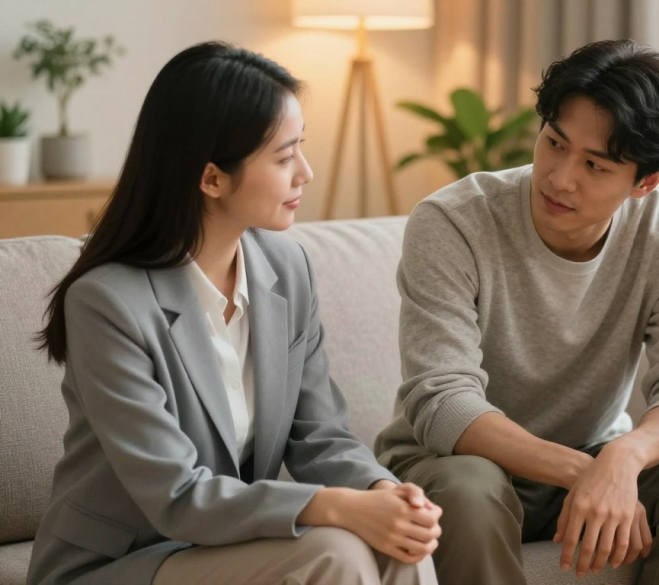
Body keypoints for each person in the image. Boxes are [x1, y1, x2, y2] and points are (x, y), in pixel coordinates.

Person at [28, 41, 440, 585]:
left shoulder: (287, 268)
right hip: (119, 563)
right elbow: (176, 494)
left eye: (301, 149)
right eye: (285, 157)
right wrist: (336, 507)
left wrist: (382, 494)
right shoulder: (107, 303)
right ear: (212, 179)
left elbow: (319, 435)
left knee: (401, 544)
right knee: (335, 552)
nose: (306, 173)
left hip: (231, 544)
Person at [374, 39, 659, 585]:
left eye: (595, 165)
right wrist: (588, 473)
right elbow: (443, 401)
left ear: (647, 181)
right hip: (459, 463)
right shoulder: (453, 222)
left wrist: (623, 460)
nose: (559, 177)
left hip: (596, 447)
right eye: (554, 142)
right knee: (472, 488)